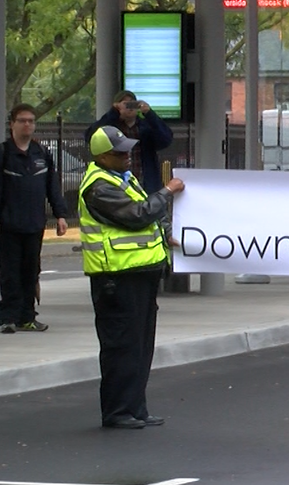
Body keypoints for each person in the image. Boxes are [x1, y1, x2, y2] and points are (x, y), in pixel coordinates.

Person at [79, 125, 184, 429]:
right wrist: (167, 191)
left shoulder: (122, 178)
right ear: (102, 156)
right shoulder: (99, 186)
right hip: (116, 277)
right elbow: (137, 215)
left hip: (139, 274)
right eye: (119, 152)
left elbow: (152, 217)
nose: (127, 155)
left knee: (140, 345)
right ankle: (118, 411)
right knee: (121, 347)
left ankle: (135, 407)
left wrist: (166, 233)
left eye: (127, 149)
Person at [0, 104, 69, 334]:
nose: (27, 124)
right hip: (8, 225)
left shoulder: (41, 154)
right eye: (22, 120)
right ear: (12, 124)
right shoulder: (4, 154)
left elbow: (52, 187)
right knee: (9, 273)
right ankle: (7, 317)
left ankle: (27, 317)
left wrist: (60, 215)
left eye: (31, 120)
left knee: (31, 271)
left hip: (34, 224)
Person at [85, 90, 174, 193]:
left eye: (133, 104)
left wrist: (149, 114)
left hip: (145, 182)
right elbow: (90, 136)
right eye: (126, 104)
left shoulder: (146, 127)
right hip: (117, 180)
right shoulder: (111, 128)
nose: (130, 108)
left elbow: (166, 140)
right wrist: (113, 113)